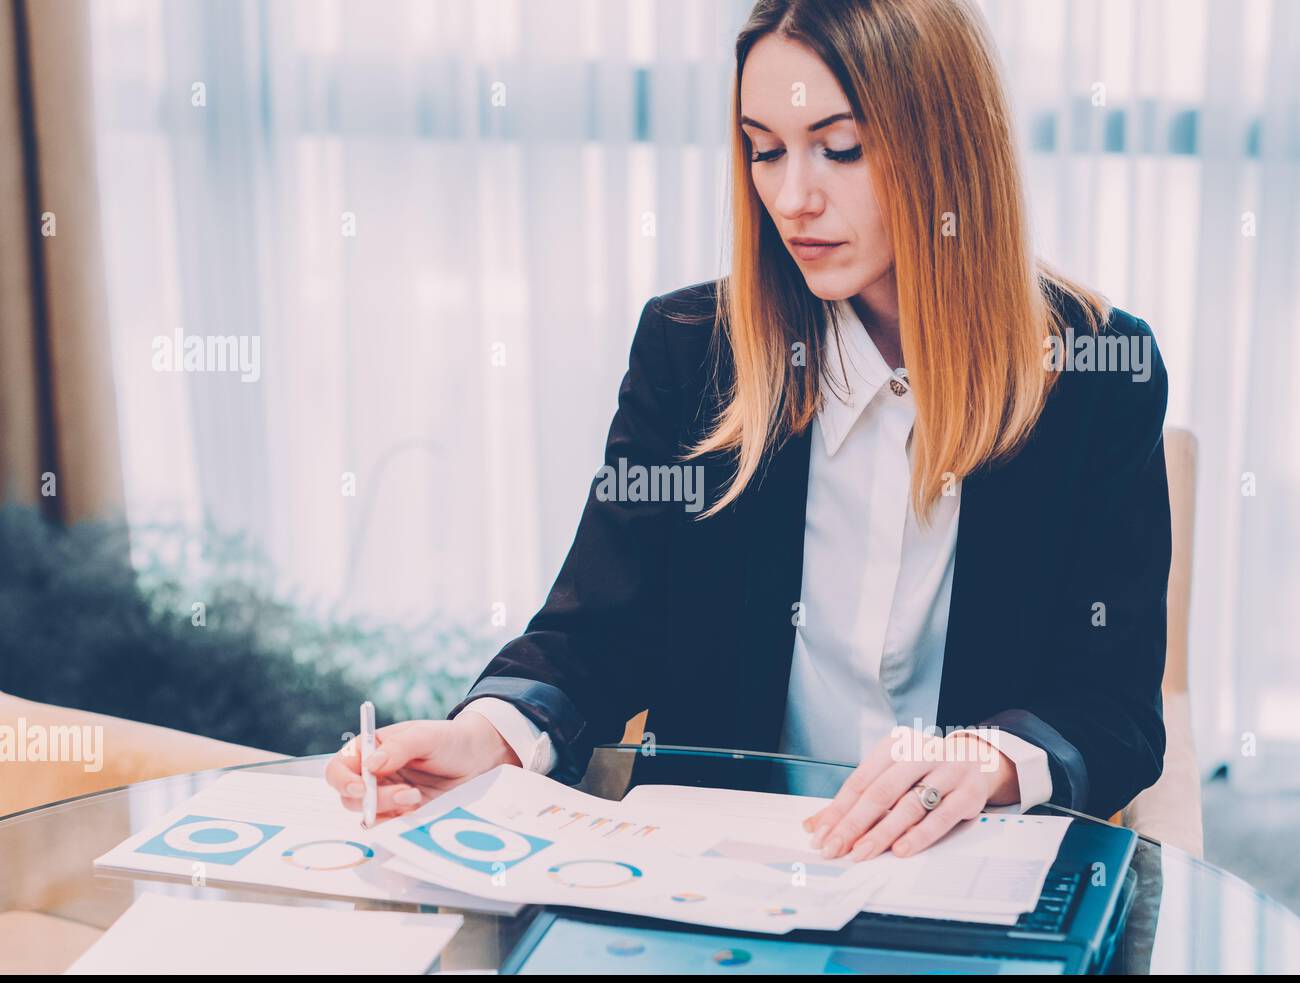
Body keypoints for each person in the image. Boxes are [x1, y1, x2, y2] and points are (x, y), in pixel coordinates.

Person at [327, 0, 1170, 862]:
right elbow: (599, 629)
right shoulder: (692, 353)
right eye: (764, 149)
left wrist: (988, 759)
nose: (791, 197)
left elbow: (1114, 708)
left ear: (948, 143)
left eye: (839, 148)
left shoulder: (1097, 375)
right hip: (721, 880)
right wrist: (492, 736)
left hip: (959, 877)